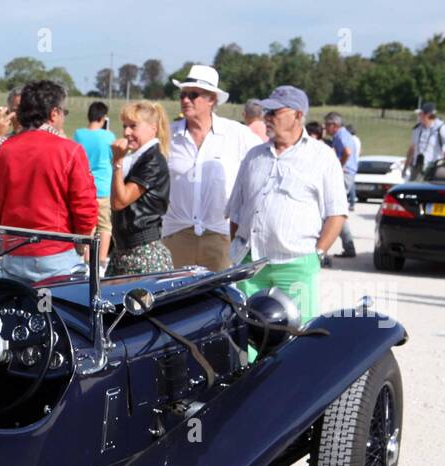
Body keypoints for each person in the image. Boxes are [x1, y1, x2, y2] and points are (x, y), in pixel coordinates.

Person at [227, 86, 348, 320]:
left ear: (298, 115)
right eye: (266, 112)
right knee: (248, 337)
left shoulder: (322, 157)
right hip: (252, 267)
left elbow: (337, 214)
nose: (267, 118)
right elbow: (236, 211)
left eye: (274, 112)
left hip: (296, 265)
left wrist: (317, 254)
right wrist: (241, 253)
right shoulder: (254, 156)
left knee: (296, 338)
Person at [0, 80, 98, 284]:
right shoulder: (70, 150)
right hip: (57, 254)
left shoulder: (3, 150)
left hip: (13, 253)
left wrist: (2, 245)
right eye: (63, 112)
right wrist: (82, 240)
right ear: (53, 113)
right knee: (59, 313)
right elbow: (85, 208)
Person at [161, 64, 261, 272]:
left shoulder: (237, 135)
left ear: (212, 100)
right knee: (175, 301)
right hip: (176, 234)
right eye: (183, 95)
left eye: (193, 95)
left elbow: (262, 166)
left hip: (220, 235)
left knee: (220, 299)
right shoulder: (168, 135)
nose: (186, 100)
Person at [107, 100, 173, 276]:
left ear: (153, 128)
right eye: (125, 126)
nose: (127, 132)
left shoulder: (152, 161)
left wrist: (117, 162)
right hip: (124, 250)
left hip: (143, 253)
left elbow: (119, 201)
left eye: (133, 126)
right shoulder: (138, 158)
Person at [73, 101, 115, 272]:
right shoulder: (108, 136)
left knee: (88, 225)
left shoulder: (78, 134)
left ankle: (87, 260)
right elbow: (114, 156)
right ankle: (102, 261)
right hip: (104, 187)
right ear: (103, 118)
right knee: (105, 226)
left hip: (84, 186)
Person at [323, 111, 358, 258]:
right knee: (337, 209)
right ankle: (348, 245)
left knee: (335, 210)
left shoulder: (340, 135)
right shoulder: (346, 135)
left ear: (334, 125)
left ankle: (348, 246)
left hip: (344, 175)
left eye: (327, 125)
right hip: (349, 175)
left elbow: (347, 152)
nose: (325, 128)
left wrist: (338, 166)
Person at [406, 102, 445, 180]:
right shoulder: (417, 129)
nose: (419, 116)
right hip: (417, 166)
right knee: (412, 188)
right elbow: (412, 148)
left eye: (420, 114)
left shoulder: (441, 128)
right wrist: (406, 165)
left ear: (428, 115)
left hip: (433, 167)